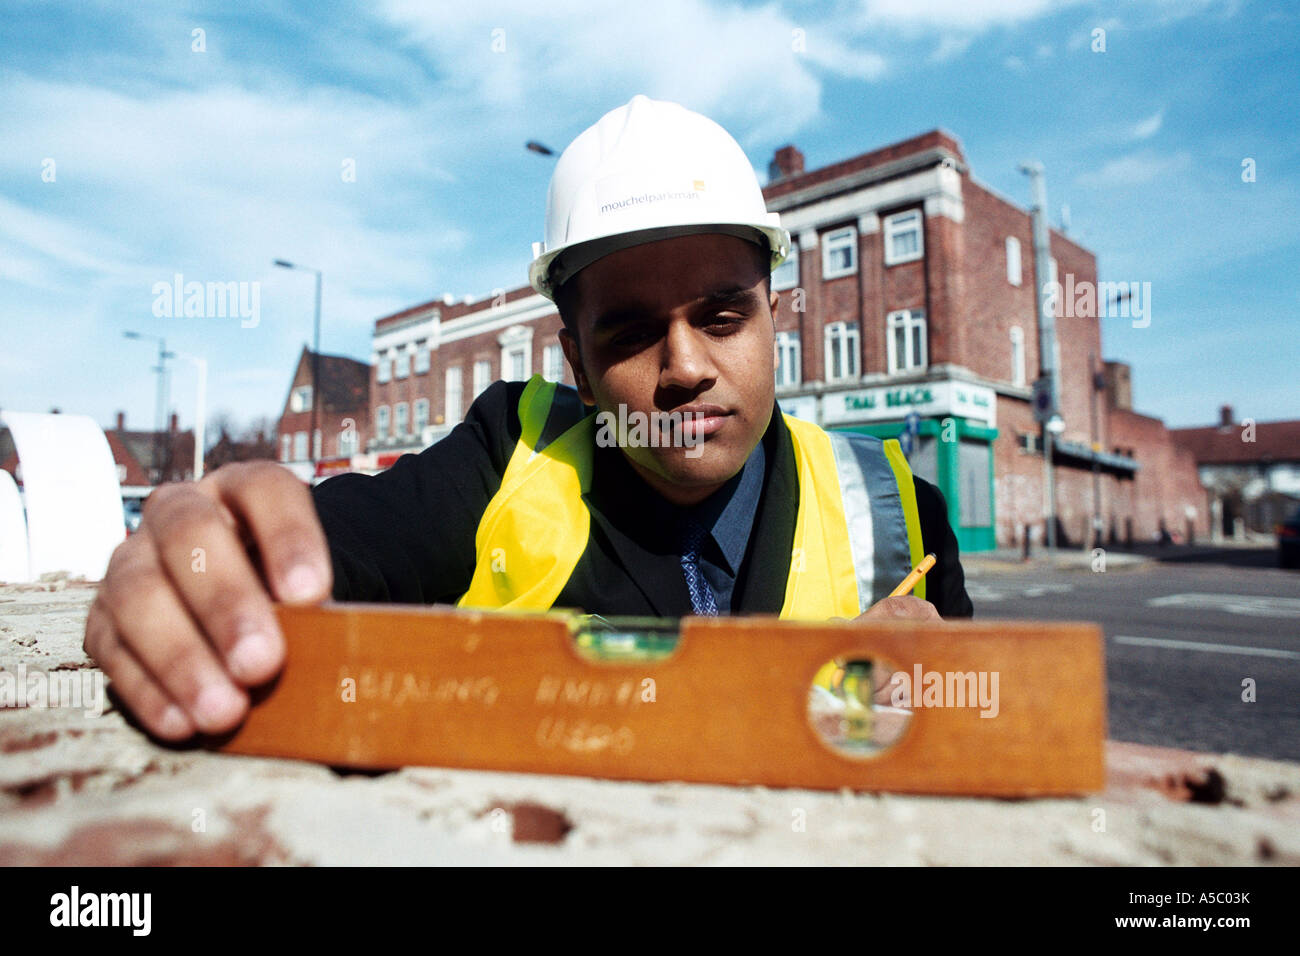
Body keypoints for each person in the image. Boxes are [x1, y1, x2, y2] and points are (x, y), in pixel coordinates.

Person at [83, 94, 972, 744]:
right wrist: (211, 554)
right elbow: (329, 552)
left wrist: (945, 696)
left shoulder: (898, 510)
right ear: (576, 363)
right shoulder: (509, 457)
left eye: (721, 316)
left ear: (773, 316)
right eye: (630, 333)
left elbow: (996, 732)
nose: (687, 369)